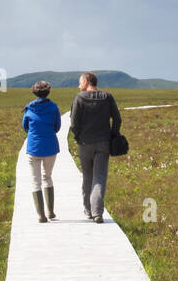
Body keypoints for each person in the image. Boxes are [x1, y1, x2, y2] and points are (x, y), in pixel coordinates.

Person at [69, 72, 121, 223]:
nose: (79, 86)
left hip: (84, 143)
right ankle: (97, 212)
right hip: (103, 143)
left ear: (86, 82)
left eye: (80, 83)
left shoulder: (79, 98)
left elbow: (73, 123)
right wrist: (113, 135)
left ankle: (88, 209)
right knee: (99, 177)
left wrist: (78, 137)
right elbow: (117, 119)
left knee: (87, 176)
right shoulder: (108, 97)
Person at [21, 80, 61, 223]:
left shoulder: (29, 109)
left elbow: (25, 127)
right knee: (47, 177)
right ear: (48, 92)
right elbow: (57, 127)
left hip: (33, 148)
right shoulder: (54, 107)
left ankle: (41, 215)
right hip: (50, 147)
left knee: (35, 181)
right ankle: (50, 212)